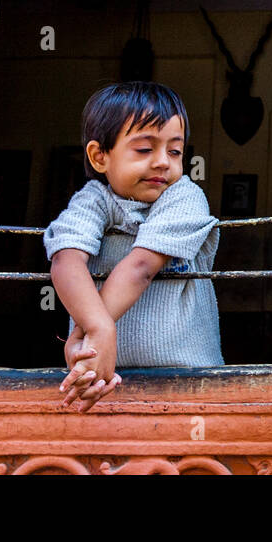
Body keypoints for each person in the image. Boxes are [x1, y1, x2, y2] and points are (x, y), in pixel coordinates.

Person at [44, 81, 223, 412]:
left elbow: (141, 267)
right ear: (100, 157)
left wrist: (89, 336)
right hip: (104, 376)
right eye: (144, 150)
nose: (162, 163)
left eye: (174, 151)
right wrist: (95, 333)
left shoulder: (185, 196)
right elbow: (66, 259)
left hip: (190, 381)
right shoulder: (92, 200)